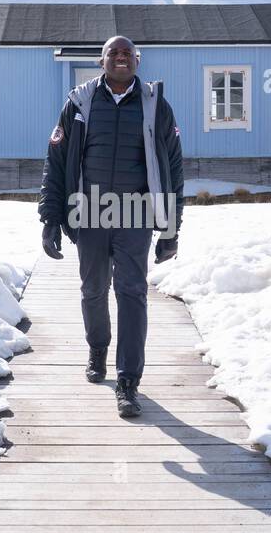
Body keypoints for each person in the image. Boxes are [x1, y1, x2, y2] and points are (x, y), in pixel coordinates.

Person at [37, 35, 184, 418]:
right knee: (92, 289)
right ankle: (97, 347)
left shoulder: (155, 106)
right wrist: (50, 219)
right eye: (113, 53)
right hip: (90, 212)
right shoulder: (80, 104)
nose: (121, 58)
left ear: (137, 60)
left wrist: (171, 229)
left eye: (127, 53)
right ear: (101, 61)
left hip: (136, 213)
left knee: (132, 293)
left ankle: (128, 382)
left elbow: (174, 170)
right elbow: (56, 163)